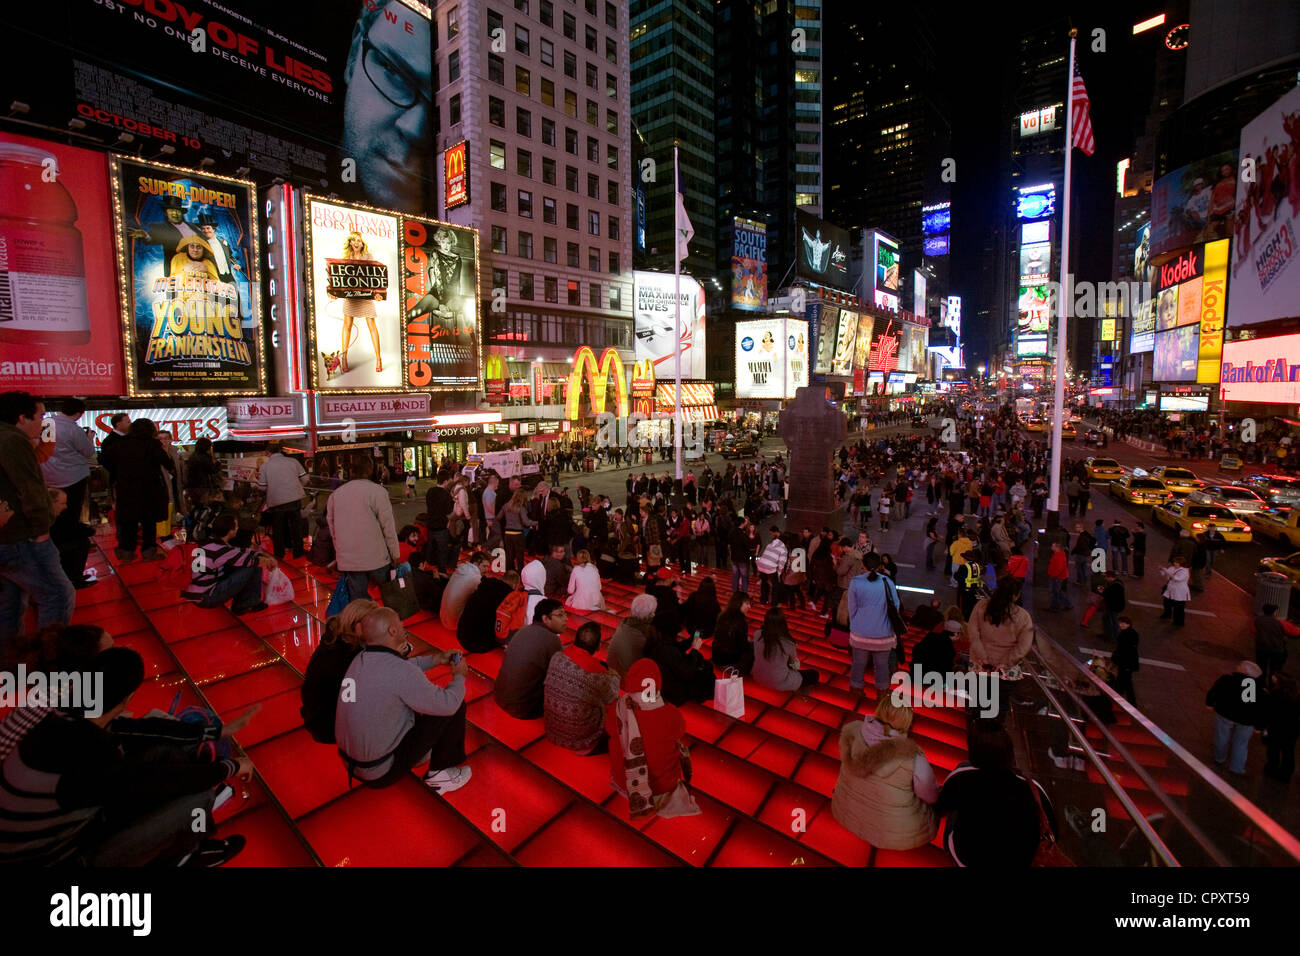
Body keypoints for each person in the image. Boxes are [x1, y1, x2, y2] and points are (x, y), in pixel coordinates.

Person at [0, 647, 250, 866]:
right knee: (198, 798)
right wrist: (230, 766)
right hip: (64, 857)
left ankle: (194, 838)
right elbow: (157, 781)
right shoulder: (92, 754)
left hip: (54, 829)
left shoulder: (65, 718)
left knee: (164, 754)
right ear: (127, 698)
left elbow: (145, 729)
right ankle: (186, 855)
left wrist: (215, 731)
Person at [335, 607, 472, 792]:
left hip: (352, 763)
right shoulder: (399, 672)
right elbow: (448, 704)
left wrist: (436, 660)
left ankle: (418, 756)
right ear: (392, 630)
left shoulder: (360, 659)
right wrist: (459, 676)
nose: (402, 626)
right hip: (380, 771)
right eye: (399, 622)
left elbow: (401, 668)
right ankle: (439, 775)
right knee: (454, 704)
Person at [0, 393, 77, 650]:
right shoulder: (13, 441)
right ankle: (49, 664)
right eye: (41, 416)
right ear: (22, 418)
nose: (44, 423)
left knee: (10, 603)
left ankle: (12, 666)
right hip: (22, 536)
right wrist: (41, 527)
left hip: (7, 535)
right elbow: (29, 486)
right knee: (57, 594)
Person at [936, 718, 1057, 867]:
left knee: (954, 815)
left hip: (968, 857)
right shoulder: (1033, 789)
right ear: (1010, 754)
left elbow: (941, 807)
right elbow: (1053, 830)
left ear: (973, 754)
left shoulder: (961, 778)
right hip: (1019, 861)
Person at [831, 698, 939, 850]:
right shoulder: (912, 757)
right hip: (894, 835)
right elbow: (931, 796)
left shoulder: (852, 733)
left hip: (844, 812)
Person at [606, 658, 698, 818]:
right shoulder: (670, 714)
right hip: (661, 789)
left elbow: (608, 729)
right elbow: (680, 732)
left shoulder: (617, 708)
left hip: (625, 781)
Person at [301, 598, 379, 744]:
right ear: (357, 626)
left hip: (316, 716)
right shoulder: (347, 659)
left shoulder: (334, 640)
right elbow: (351, 704)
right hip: (330, 728)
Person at [327, 456, 401, 606]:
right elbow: (388, 526)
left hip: (350, 560)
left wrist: (340, 553)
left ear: (351, 471)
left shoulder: (336, 495)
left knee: (358, 603)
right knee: (390, 596)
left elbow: (332, 527)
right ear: (370, 470)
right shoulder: (377, 492)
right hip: (377, 556)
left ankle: (363, 625)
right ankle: (389, 624)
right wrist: (395, 553)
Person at [99, 418, 175, 563]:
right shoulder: (152, 444)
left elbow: (103, 459)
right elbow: (166, 462)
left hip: (126, 488)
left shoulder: (120, 443)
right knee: (149, 522)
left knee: (128, 522)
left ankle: (126, 552)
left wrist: (118, 471)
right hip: (150, 489)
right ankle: (148, 551)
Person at [40, 398, 97, 588]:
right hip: (72, 478)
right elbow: (88, 452)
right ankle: (72, 571)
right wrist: (89, 439)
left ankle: (55, 568)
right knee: (71, 520)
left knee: (55, 521)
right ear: (80, 413)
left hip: (49, 478)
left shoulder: (48, 424)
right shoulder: (72, 429)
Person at [544, 621, 620, 754]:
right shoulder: (598, 675)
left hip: (552, 729)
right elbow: (612, 696)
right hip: (580, 739)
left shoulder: (557, 657)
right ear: (597, 647)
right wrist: (613, 674)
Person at [181, 514, 276, 615]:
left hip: (194, 593)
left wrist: (263, 555)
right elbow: (252, 561)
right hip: (206, 598)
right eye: (236, 526)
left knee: (241, 563)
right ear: (230, 531)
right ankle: (246, 604)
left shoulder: (208, 542)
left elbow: (239, 551)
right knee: (252, 567)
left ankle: (245, 602)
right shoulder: (222, 550)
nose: (238, 528)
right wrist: (269, 560)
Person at [493, 599, 566, 719]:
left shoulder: (523, 630)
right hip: (525, 708)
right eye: (560, 615)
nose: (565, 619)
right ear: (545, 619)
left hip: (499, 696)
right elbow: (559, 678)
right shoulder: (552, 640)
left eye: (565, 614)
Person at [847, 553, 901, 697]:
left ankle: (856, 691)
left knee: (858, 664)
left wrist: (857, 623)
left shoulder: (855, 582)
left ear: (863, 565)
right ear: (880, 566)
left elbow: (852, 608)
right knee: (882, 666)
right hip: (883, 635)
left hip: (860, 633)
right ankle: (882, 693)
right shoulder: (887, 582)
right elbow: (895, 606)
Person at [335, 232, 385, 375]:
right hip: (350, 296)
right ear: (350, 242)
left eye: (359, 240)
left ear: (362, 243)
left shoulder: (368, 257)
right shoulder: (345, 258)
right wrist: (334, 292)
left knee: (372, 326)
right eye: (354, 240)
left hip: (365, 295)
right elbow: (338, 277)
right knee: (347, 326)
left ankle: (378, 359)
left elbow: (374, 277)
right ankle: (344, 358)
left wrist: (377, 293)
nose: (357, 243)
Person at [1205, 661, 1265, 776]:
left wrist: (1210, 703)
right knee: (1241, 743)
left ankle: (1219, 758)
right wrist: (1259, 726)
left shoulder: (1227, 679)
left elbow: (1214, 692)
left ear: (1244, 671)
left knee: (1221, 736)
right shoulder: (1259, 690)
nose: (1237, 666)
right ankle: (1237, 767)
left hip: (1225, 714)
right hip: (1247, 720)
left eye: (1240, 666)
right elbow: (1261, 710)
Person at [966, 577, 1034, 676]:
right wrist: (1005, 662)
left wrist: (982, 656)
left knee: (978, 691)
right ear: (1015, 596)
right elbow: (1024, 646)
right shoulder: (1023, 616)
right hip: (1005, 671)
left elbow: (973, 634)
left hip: (979, 665)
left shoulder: (981, 606)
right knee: (1001, 691)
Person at [644, 621, 716, 705]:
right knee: (706, 668)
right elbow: (688, 672)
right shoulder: (667, 650)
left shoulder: (654, 644)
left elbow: (676, 649)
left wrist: (690, 641)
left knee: (702, 663)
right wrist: (695, 650)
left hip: (665, 685)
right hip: (674, 693)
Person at [257, 443, 309, 560]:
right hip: (294, 499)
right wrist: (297, 486)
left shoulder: (265, 467)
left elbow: (262, 487)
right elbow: (305, 479)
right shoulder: (293, 462)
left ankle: (279, 553)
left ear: (268, 453)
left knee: (278, 529)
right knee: (296, 527)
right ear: (280, 451)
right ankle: (298, 552)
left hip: (276, 501)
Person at [750, 606, 819, 691]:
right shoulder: (787, 642)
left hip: (757, 676)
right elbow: (794, 664)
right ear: (783, 623)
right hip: (778, 682)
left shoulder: (757, 634)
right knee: (814, 674)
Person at [458, 570, 518, 653]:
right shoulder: (509, 598)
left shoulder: (485, 585)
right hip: (480, 643)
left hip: (461, 634)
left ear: (502, 578)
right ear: (515, 586)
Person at [607, 593, 658, 678]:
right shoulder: (646, 633)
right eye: (653, 612)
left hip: (613, 671)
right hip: (627, 678)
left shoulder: (624, 624)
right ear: (650, 615)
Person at [440, 550, 490, 631]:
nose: (487, 570)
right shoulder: (475, 578)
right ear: (476, 564)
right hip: (454, 624)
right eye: (484, 566)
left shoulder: (461, 568)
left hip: (443, 617)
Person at [1262, 674, 1299, 783]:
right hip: (1292, 730)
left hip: (1276, 728)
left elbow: (1268, 711)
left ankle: (1271, 769)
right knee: (1288, 752)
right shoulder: (1296, 697)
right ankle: (1285, 774)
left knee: (1273, 749)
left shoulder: (1276, 695)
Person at [1254, 603, 1300, 684]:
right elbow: (1296, 632)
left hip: (1261, 649)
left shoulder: (1257, 620)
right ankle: (1273, 688)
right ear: (1274, 612)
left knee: (1260, 669)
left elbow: (1254, 630)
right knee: (1275, 672)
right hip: (1276, 650)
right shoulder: (1281, 622)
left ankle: (1260, 686)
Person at [711, 591, 754, 673]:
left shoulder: (723, 615)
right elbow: (741, 647)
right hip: (730, 661)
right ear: (739, 603)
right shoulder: (741, 621)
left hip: (716, 656)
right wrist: (747, 642)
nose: (749, 607)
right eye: (747, 603)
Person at [501, 488, 537, 573]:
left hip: (507, 533)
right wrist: (537, 522)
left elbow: (500, 517)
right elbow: (526, 522)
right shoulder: (521, 508)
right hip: (517, 534)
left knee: (509, 555)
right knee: (519, 556)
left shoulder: (507, 505)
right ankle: (520, 574)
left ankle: (509, 573)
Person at [755, 525, 788, 605]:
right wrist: (779, 574)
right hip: (770, 568)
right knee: (775, 586)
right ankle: (773, 603)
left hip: (761, 566)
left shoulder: (769, 545)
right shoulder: (783, 549)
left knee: (764, 583)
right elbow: (781, 564)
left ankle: (763, 600)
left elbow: (764, 556)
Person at [1113, 616, 1140, 705]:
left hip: (1126, 663)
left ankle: (1132, 703)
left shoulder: (1127, 634)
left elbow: (1125, 650)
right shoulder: (1129, 633)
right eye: (1120, 623)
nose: (1121, 625)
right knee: (1122, 680)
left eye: (1123, 623)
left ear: (1128, 624)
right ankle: (1118, 696)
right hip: (1127, 663)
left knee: (1127, 683)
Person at [1158, 555, 1191, 627]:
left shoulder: (1184, 571)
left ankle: (1179, 621)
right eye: (1174, 562)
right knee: (1166, 602)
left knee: (1179, 607)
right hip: (1171, 589)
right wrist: (1161, 570)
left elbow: (1177, 579)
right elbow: (1164, 574)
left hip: (1180, 591)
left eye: (1177, 562)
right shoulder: (1172, 568)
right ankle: (1167, 614)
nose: (1175, 563)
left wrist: (1165, 570)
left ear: (1181, 563)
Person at [1099, 571, 1126, 643]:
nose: (1105, 579)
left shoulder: (1115, 586)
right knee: (1110, 620)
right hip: (1115, 606)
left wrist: (1102, 592)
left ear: (1110, 577)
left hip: (1113, 607)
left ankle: (1112, 637)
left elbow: (1110, 596)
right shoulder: (1118, 583)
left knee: (1112, 622)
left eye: (1106, 577)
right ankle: (1109, 635)